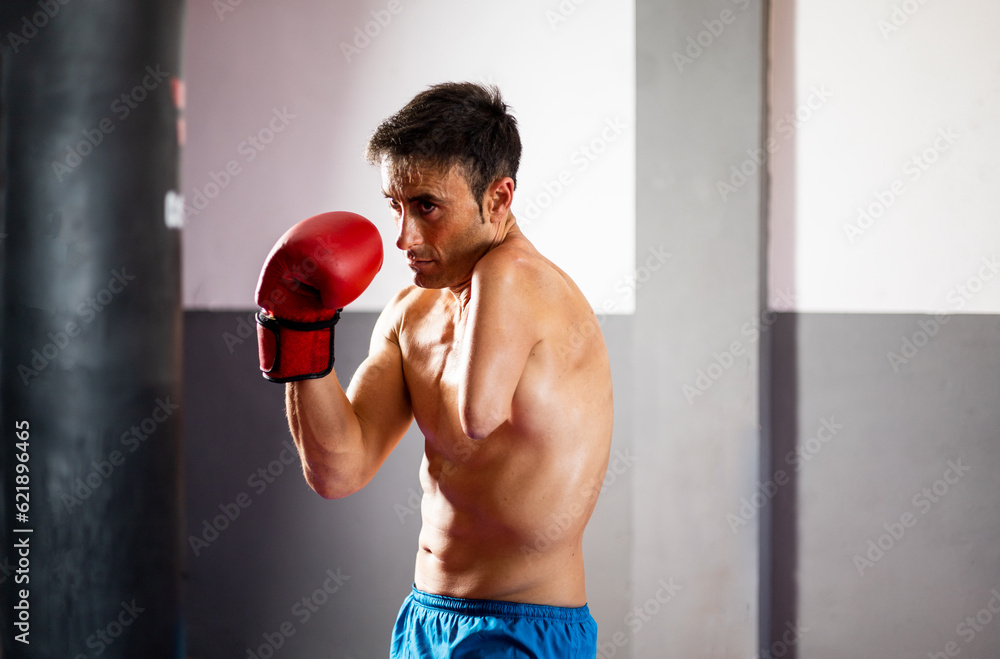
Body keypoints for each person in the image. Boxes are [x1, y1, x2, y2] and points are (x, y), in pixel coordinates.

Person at [254, 82, 614, 658]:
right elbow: (338, 470)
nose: (403, 237)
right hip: (425, 618)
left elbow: (479, 415)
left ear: (498, 200)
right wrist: (301, 335)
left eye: (427, 206)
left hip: (521, 628)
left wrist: (491, 273)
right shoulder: (408, 313)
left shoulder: (521, 278)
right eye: (395, 206)